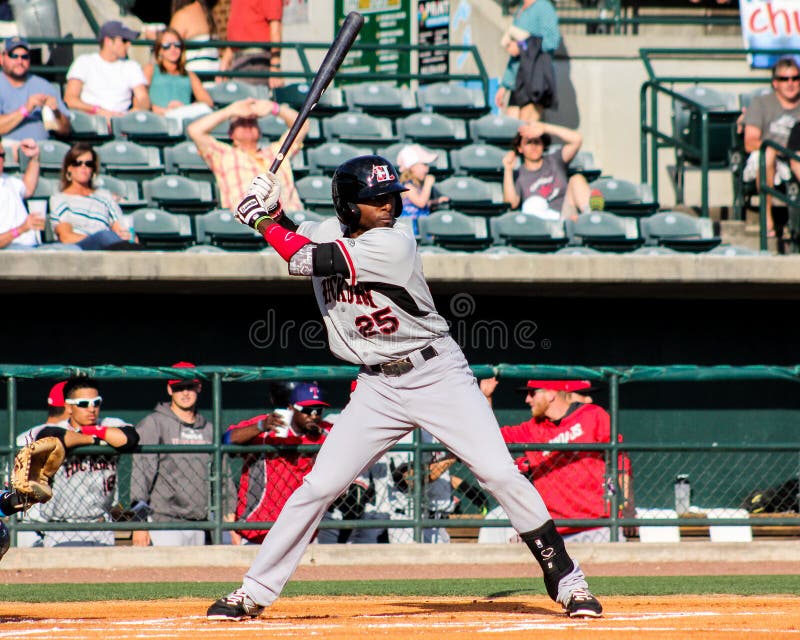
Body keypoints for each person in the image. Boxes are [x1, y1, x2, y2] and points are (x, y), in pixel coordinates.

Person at [206, 155, 603, 620]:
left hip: (436, 373)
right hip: (377, 385)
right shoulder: (328, 231)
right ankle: (254, 590)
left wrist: (258, 220)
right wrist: (272, 211)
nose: (389, 205)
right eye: (376, 200)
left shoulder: (394, 243)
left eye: (391, 196)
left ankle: (568, 579)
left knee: (498, 473)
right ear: (349, 207)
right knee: (319, 485)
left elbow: (301, 258)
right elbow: (301, 236)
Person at [478, 378, 634, 544]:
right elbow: (491, 437)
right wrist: (485, 398)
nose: (527, 399)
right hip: (553, 532)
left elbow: (621, 461)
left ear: (551, 393)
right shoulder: (532, 429)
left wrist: (628, 507)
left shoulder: (592, 415)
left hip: (598, 525)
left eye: (532, 393)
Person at [33, 376, 140, 546]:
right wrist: (95, 439)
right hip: (62, 527)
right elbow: (50, 438)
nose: (91, 409)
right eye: (83, 403)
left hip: (101, 525)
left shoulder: (110, 423)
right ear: (68, 407)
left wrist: (92, 431)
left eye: (96, 402)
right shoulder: (56, 429)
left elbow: (130, 438)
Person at [225, 382, 330, 544]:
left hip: (301, 529)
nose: (314, 415)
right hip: (258, 526)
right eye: (307, 410)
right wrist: (261, 426)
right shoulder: (270, 423)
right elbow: (226, 440)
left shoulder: (325, 432)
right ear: (291, 408)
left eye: (318, 410)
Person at [130, 362, 218, 546]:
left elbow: (222, 476)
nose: (185, 393)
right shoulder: (154, 423)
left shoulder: (209, 428)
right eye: (179, 388)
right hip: (164, 521)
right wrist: (139, 522)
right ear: (170, 389)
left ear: (199, 387)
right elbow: (141, 475)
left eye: (190, 387)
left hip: (199, 521)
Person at [187, 97, 306, 210]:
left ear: (259, 131)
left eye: (252, 122)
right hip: (248, 222)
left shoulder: (276, 151)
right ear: (231, 133)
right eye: (241, 122)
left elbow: (303, 126)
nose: (247, 125)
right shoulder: (223, 154)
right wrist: (230, 111)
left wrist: (275, 108)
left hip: (287, 221)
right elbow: (195, 130)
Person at [743, 57, 800, 238]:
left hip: (794, 158)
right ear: (775, 83)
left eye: (795, 78)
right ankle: (766, 220)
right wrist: (778, 149)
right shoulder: (761, 104)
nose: (790, 83)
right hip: (768, 158)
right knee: (766, 154)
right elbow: (750, 142)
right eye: (784, 79)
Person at [503, 121, 602, 220]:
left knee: (577, 179)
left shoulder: (555, 160)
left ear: (543, 145)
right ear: (520, 148)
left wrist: (545, 128)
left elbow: (577, 140)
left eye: (537, 142)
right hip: (540, 222)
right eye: (529, 142)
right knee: (533, 203)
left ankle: (592, 216)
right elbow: (511, 203)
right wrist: (508, 170)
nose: (533, 146)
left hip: (565, 216)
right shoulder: (519, 174)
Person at [49, 142, 136, 250]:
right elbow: (66, 237)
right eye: (77, 163)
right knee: (105, 236)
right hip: (79, 247)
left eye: (88, 164)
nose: (83, 167)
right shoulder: (60, 199)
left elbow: (119, 228)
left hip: (108, 245)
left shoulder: (104, 196)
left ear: (93, 169)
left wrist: (125, 235)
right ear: (69, 168)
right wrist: (97, 239)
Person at [64, 20, 151, 120]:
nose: (128, 45)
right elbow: (70, 99)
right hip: (90, 121)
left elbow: (143, 97)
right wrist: (99, 111)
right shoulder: (84, 62)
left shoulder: (131, 66)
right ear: (108, 41)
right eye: (124, 40)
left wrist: (132, 113)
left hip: (122, 122)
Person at [495, 0, 561, 123]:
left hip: (534, 80)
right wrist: (504, 86)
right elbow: (515, 57)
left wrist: (522, 46)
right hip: (518, 81)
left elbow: (552, 41)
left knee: (526, 131)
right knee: (512, 131)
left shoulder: (544, 7)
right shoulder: (521, 9)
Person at [0, 36, 70, 142]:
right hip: (9, 151)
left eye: (25, 56)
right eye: (13, 56)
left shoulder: (43, 85)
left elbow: (65, 130)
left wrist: (56, 112)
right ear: (2, 59)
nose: (20, 61)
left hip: (42, 149)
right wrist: (25, 109)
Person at [144, 28, 213, 124]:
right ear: (160, 50)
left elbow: (207, 101)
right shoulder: (150, 70)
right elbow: (141, 96)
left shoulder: (189, 75)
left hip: (183, 118)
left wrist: (185, 109)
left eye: (177, 45)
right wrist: (157, 109)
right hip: (156, 119)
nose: (173, 49)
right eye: (167, 45)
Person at [221, 0, 283, 88]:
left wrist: (275, 66)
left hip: (255, 59)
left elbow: (275, 29)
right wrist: (225, 62)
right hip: (237, 60)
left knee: (251, 98)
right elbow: (237, 32)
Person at [0, 137, 44, 249]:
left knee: (73, 250)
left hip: (34, 247)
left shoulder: (9, 180)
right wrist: (21, 229)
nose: (2, 160)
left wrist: (34, 158)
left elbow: (28, 188)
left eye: (2, 156)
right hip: (10, 250)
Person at [395, 144, 449, 235]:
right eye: (424, 164)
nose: (427, 169)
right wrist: (428, 185)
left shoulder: (418, 186)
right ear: (412, 167)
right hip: (411, 230)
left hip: (421, 227)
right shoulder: (408, 186)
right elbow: (421, 203)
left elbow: (420, 203)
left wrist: (436, 201)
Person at [169, 0, 220, 77]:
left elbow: (169, 52)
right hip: (215, 73)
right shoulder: (210, 14)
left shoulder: (182, 16)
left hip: (194, 75)